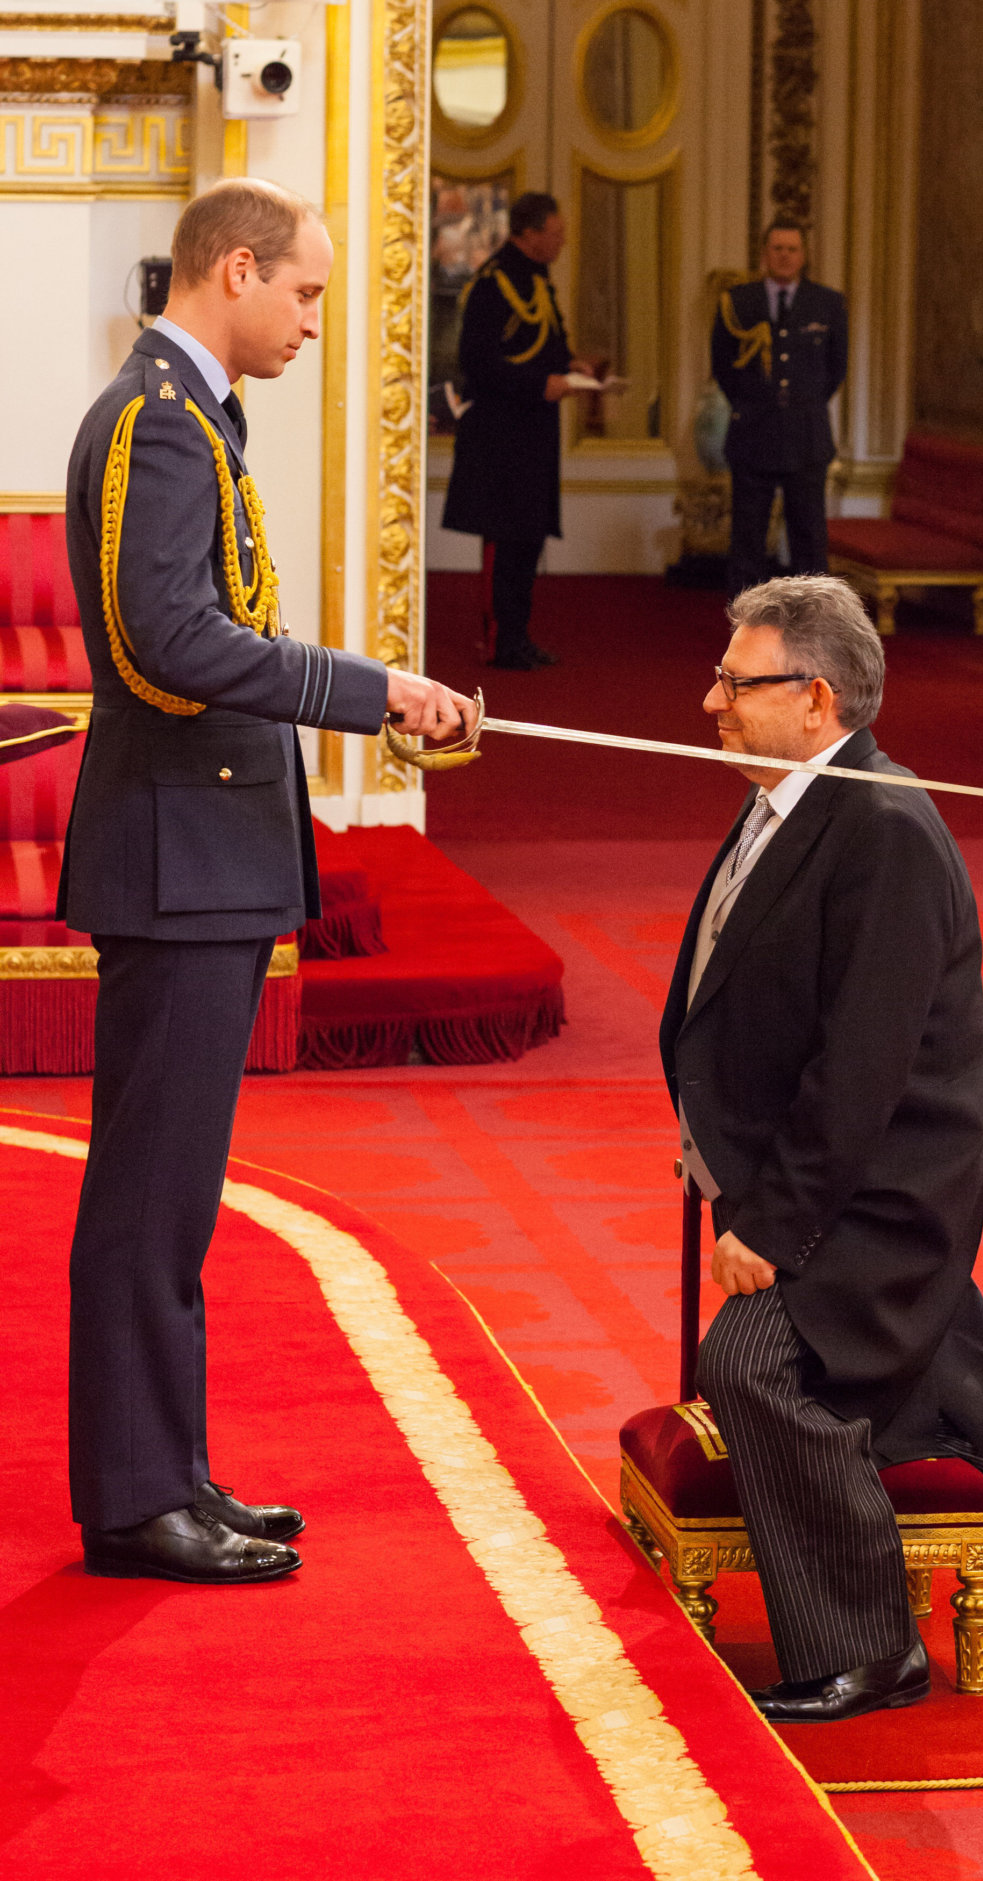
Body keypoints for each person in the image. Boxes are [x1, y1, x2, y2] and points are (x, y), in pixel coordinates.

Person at [659, 575, 983, 1722]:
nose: (709, 701)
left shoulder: (883, 828)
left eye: (732, 683)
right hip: (822, 1171)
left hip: (884, 1189)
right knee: (890, 1375)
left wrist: (770, 1227)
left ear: (814, 697)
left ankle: (870, 1652)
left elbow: (864, 1066)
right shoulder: (791, 802)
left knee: (751, 1367)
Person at [60, 178, 477, 1586]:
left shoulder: (194, 420)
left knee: (177, 1196)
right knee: (148, 1196)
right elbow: (166, 639)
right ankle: (131, 1503)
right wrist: (372, 690)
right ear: (232, 270)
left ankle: (167, 1471)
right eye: (304, 293)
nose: (311, 322)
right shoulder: (153, 423)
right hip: (179, 857)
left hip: (207, 853)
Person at [442, 192, 594, 671]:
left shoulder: (535, 277)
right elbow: (478, 365)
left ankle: (518, 636)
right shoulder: (492, 284)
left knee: (528, 539)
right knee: (505, 542)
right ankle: (501, 641)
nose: (562, 242)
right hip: (499, 438)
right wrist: (540, 382)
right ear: (529, 234)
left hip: (532, 434)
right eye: (556, 233)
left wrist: (570, 366)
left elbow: (544, 338)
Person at [711, 222, 848, 599]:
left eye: (791, 249)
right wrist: (752, 403)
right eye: (777, 248)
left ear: (803, 256)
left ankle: (813, 626)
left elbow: (836, 369)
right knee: (748, 539)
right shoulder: (738, 301)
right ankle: (746, 627)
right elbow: (723, 365)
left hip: (806, 437)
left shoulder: (828, 303)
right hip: (753, 434)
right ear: (764, 253)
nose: (784, 255)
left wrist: (802, 405)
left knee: (808, 537)